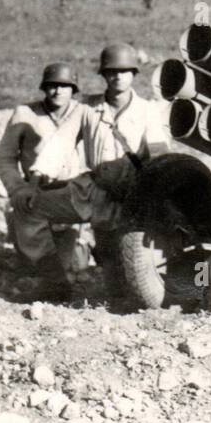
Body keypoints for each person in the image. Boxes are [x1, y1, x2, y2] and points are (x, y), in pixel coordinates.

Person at [23, 43, 172, 304]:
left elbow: (159, 148)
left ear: (134, 74)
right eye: (112, 71)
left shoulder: (147, 110)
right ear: (103, 74)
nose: (118, 76)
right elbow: (61, 141)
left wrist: (160, 182)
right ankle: (91, 291)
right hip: (99, 188)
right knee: (104, 244)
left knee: (136, 247)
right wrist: (38, 175)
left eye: (124, 71)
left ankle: (146, 297)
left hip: (135, 190)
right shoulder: (87, 108)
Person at [0, 62, 88, 298]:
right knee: (36, 265)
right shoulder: (25, 114)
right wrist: (17, 188)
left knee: (73, 264)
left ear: (73, 89)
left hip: (70, 194)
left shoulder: (82, 113)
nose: (58, 91)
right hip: (36, 192)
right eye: (52, 86)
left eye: (65, 86)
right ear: (44, 88)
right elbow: (4, 157)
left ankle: (81, 250)